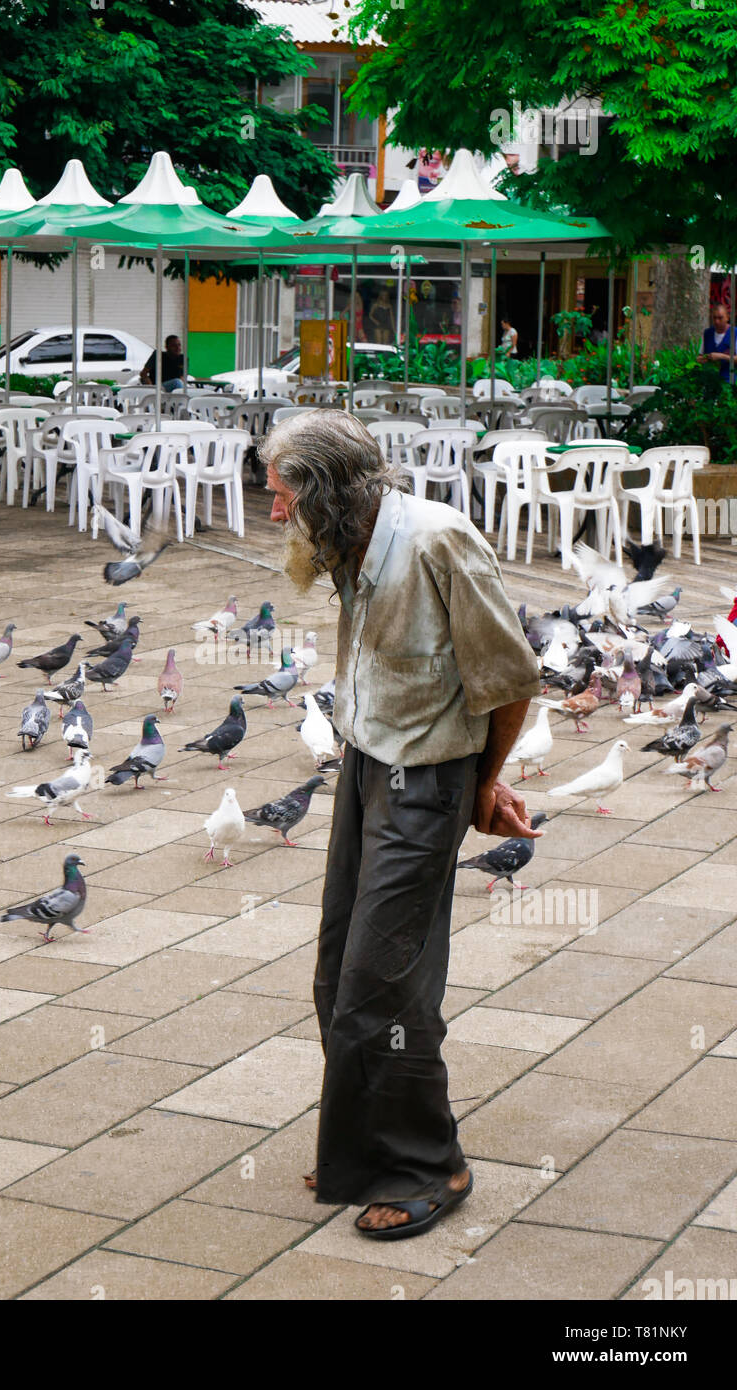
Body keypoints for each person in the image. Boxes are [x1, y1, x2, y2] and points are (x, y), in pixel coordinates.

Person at [262, 410, 542, 1239]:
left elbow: (511, 680)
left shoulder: (436, 543)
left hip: (425, 784)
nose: (274, 514)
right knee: (336, 975)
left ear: (325, 493)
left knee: (384, 987)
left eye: (282, 498)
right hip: (364, 768)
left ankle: (430, 1164)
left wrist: (483, 789)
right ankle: (361, 1145)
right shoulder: (349, 542)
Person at [699, 303, 735, 382]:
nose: (717, 321)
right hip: (709, 382)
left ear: (727, 318)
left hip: (729, 382)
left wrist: (722, 356)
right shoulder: (707, 333)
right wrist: (703, 359)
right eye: (714, 318)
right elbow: (700, 356)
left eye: (720, 318)